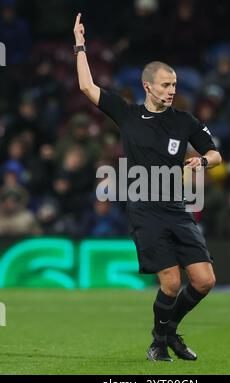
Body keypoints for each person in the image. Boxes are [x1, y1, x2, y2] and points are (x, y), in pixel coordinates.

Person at [74, 13, 222, 362]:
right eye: (166, 85)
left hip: (177, 209)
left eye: (174, 85)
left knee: (204, 281)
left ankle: (168, 333)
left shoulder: (184, 121)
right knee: (170, 284)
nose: (172, 90)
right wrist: (80, 44)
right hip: (144, 208)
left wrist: (201, 162)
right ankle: (159, 341)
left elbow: (215, 154)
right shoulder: (127, 114)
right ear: (148, 86)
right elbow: (86, 87)